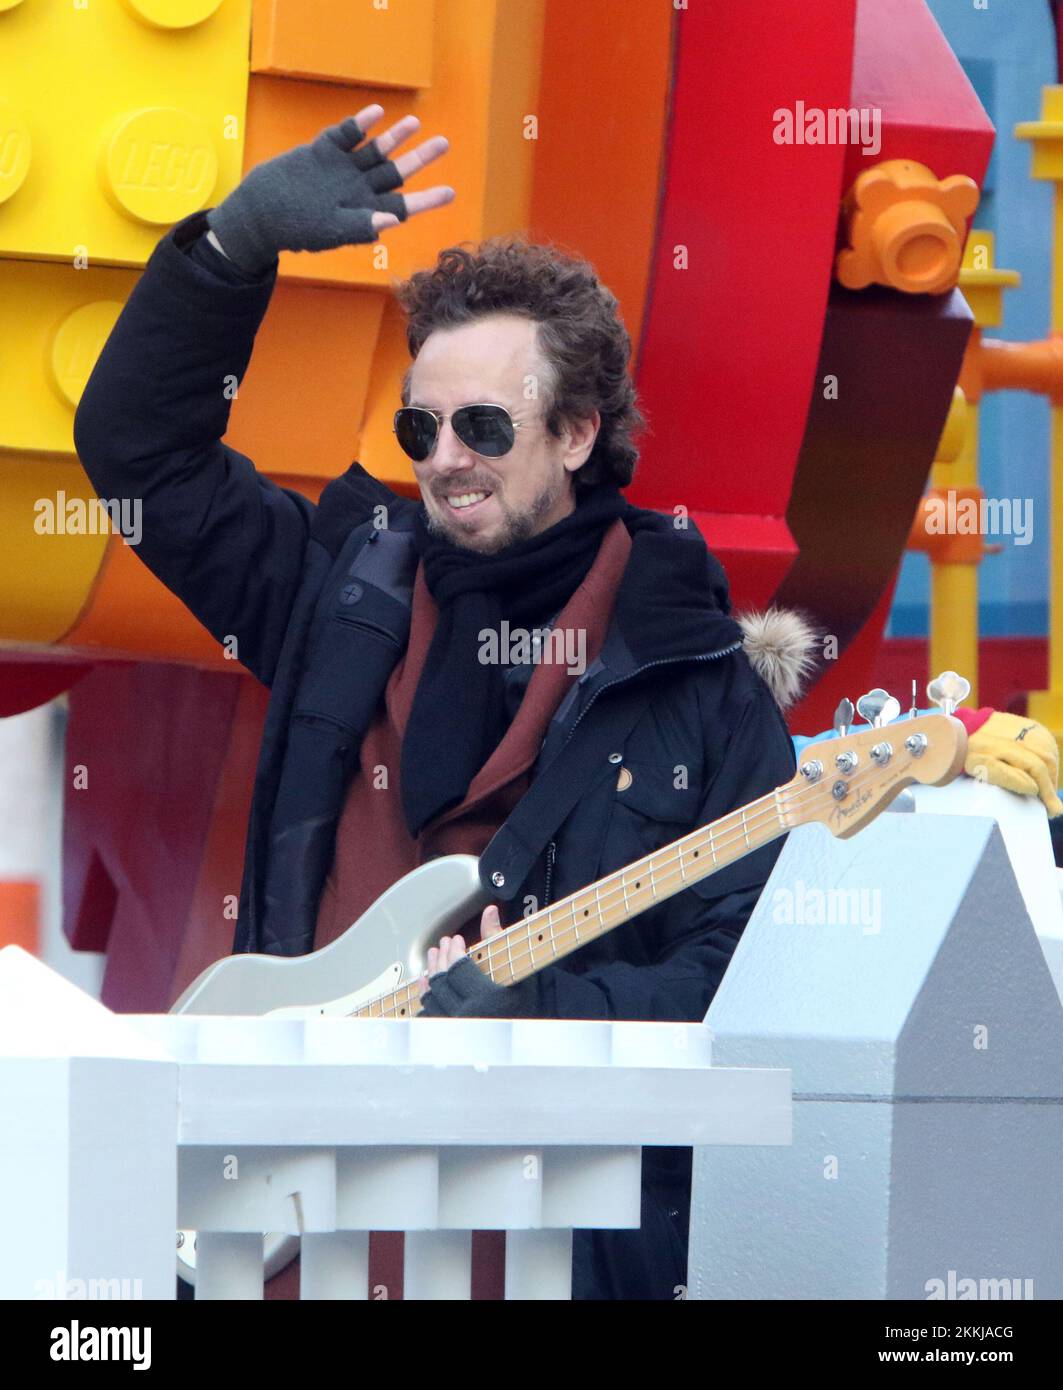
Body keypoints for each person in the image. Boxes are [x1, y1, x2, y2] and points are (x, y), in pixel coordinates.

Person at [73, 106, 813, 1299]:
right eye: (423, 425)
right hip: (288, 1236)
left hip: (550, 1251)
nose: (444, 457)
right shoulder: (336, 585)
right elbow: (139, 457)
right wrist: (228, 249)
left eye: (484, 426)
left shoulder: (699, 684)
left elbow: (758, 982)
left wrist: (551, 1004)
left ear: (578, 433)